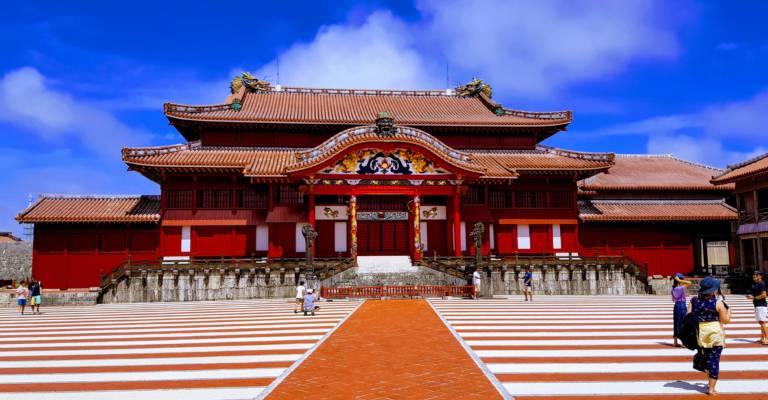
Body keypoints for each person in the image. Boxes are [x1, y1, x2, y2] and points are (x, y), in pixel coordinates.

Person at [688, 276, 731, 396]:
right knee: (714, 361)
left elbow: (688, 316)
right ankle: (711, 389)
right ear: (713, 291)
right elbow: (725, 320)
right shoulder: (718, 303)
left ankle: (709, 383)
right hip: (714, 334)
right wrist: (729, 311)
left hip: (701, 333)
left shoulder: (694, 301)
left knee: (707, 359)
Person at [746, 271, 768, 345]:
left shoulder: (762, 284)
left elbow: (764, 295)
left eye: (756, 275)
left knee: (762, 322)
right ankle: (762, 338)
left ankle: (767, 338)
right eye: (754, 275)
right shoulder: (756, 284)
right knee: (761, 322)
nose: (754, 276)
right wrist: (751, 296)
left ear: (760, 276)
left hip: (761, 305)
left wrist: (754, 297)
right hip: (757, 305)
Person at [671, 273, 692, 347]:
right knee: (683, 323)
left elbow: (673, 299)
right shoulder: (681, 288)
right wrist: (680, 280)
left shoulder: (673, 289)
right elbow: (689, 283)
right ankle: (684, 342)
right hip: (682, 306)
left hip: (676, 306)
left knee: (676, 322)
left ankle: (675, 342)